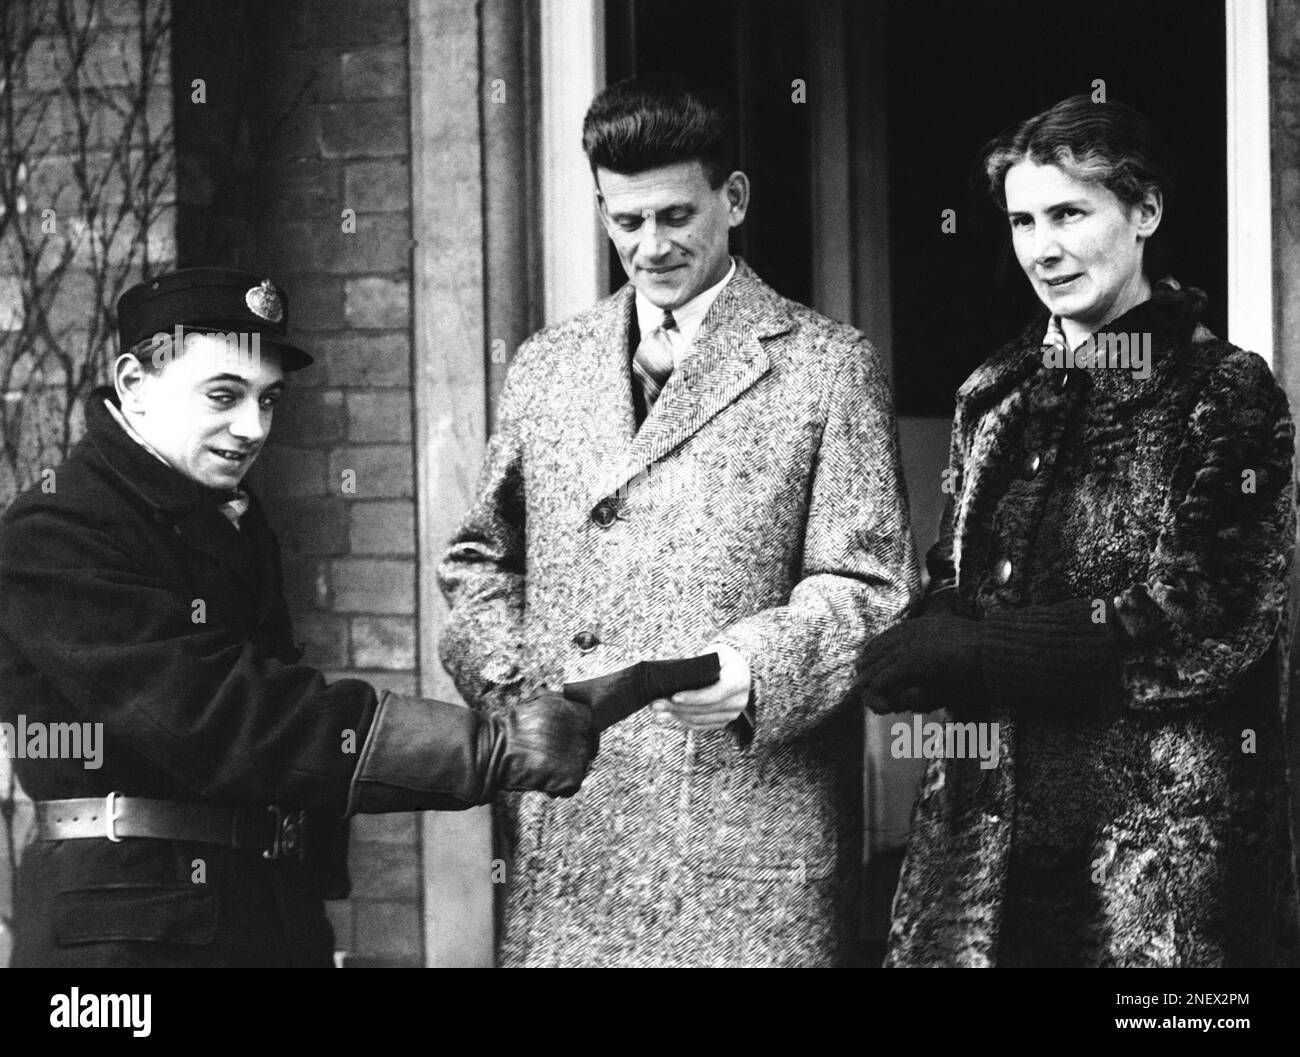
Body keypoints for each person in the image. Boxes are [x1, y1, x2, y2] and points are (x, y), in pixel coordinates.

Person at [437, 77, 918, 968]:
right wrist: (520, 691)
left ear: (732, 200)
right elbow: (479, 560)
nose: (649, 247)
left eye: (674, 216)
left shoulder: (826, 365)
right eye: (625, 222)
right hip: (574, 831)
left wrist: (756, 667)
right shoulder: (548, 366)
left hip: (744, 835)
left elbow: (873, 586)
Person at [0, 267, 598, 968]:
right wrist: (486, 748)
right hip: (126, 945)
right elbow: (232, 716)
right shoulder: (56, 531)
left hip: (246, 920)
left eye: (269, 399)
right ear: (134, 383)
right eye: (224, 395)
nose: (253, 428)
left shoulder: (219, 517)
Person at [855, 96, 1300, 967]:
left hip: (1156, 886)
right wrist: (926, 633)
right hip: (983, 868)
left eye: (1069, 213)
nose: (1043, 248)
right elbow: (956, 572)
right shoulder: (996, 390)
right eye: (1023, 220)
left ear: (1145, 213)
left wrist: (978, 653)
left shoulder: (1224, 390)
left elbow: (1209, 625)